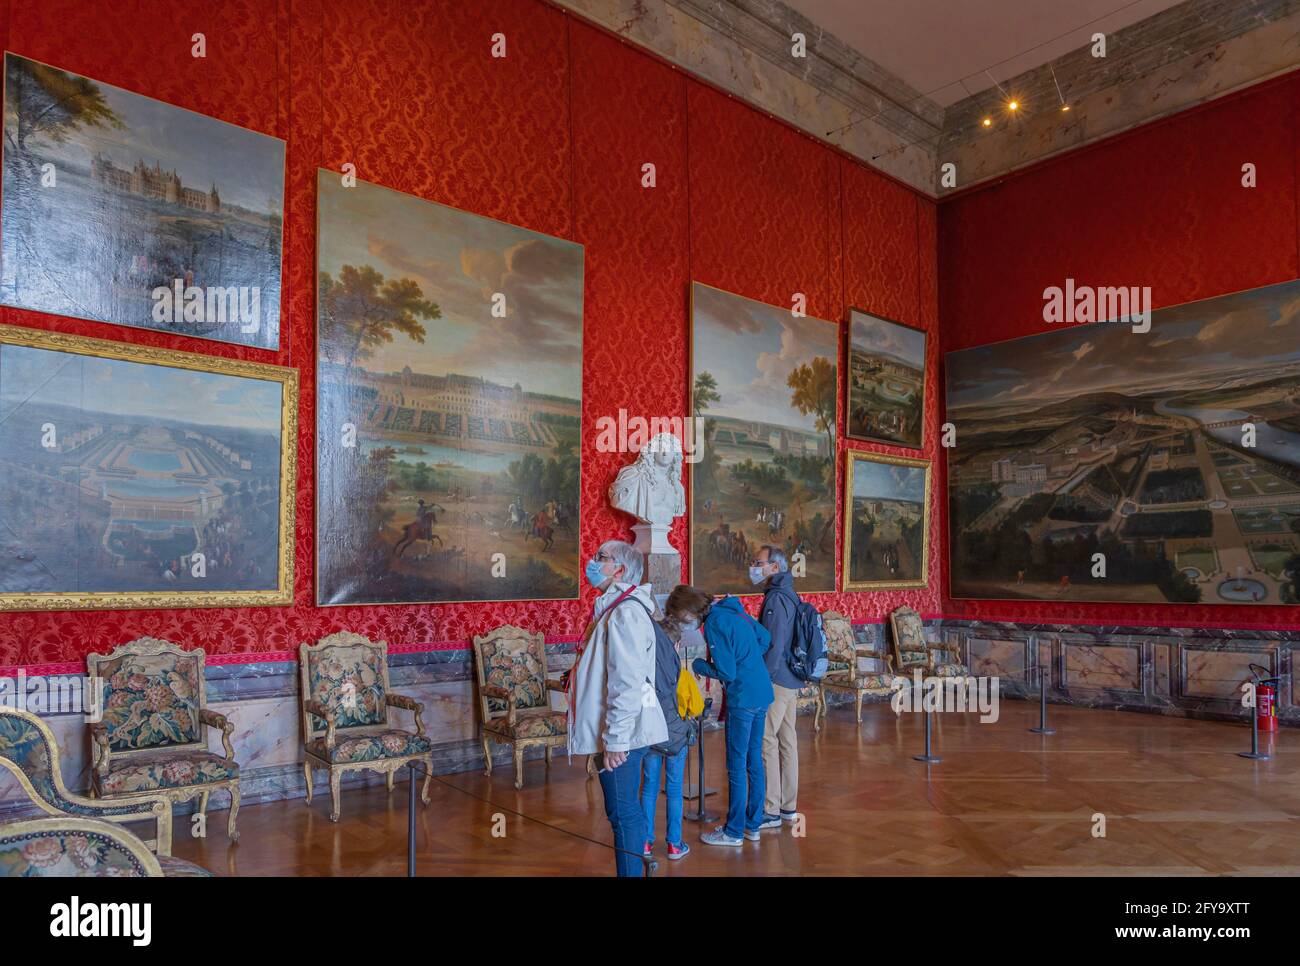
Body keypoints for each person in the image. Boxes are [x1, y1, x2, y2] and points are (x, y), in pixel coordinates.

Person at [568, 540, 666, 877]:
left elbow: (627, 682)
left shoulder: (625, 612)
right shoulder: (615, 608)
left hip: (622, 733)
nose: (592, 563)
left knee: (623, 813)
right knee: (623, 810)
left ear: (620, 570)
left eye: (601, 558)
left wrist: (616, 740)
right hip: (614, 729)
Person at [665, 584, 772, 847]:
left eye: (680, 618)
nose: (681, 624)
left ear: (688, 611)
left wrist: (699, 665)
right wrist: (746, 659)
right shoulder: (733, 609)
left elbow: (727, 672)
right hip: (761, 691)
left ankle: (734, 831)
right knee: (754, 761)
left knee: (736, 766)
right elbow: (764, 639)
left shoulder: (714, 623)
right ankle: (753, 824)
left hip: (743, 698)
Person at [752, 545, 801, 829]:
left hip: (777, 679)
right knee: (787, 741)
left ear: (774, 567)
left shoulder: (776, 599)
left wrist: (764, 678)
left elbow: (774, 643)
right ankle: (787, 806)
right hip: (789, 678)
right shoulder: (788, 593)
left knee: (767, 740)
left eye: (758, 562)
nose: (754, 567)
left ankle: (770, 809)